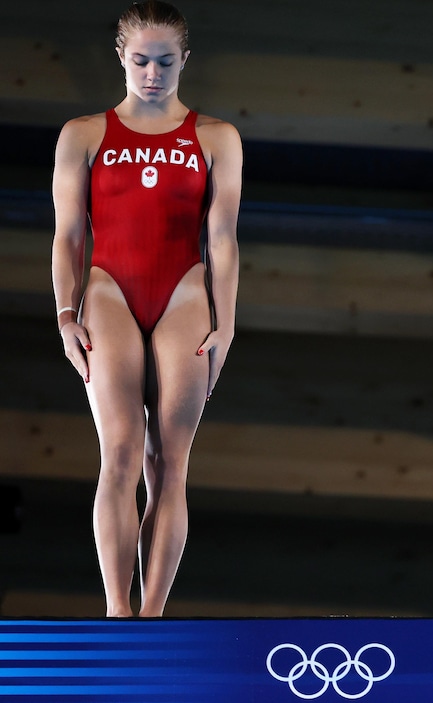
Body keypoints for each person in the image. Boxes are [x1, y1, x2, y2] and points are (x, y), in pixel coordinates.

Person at [50, 0, 242, 617]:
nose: (152, 73)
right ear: (121, 57)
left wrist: (227, 324)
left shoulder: (215, 138)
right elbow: (68, 236)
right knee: (123, 452)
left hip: (184, 290)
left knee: (170, 463)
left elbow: (222, 240)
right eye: (140, 60)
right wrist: (64, 313)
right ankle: (116, 611)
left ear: (185, 59)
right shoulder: (84, 134)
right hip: (108, 288)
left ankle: (152, 617)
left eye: (165, 61)